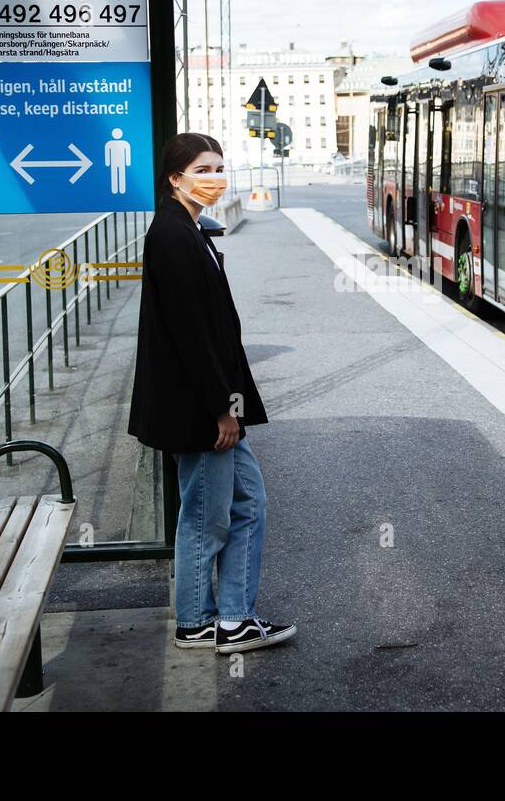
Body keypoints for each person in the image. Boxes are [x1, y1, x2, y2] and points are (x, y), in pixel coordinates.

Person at [128, 132, 296, 655]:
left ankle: (223, 619)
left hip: (211, 404)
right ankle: (208, 622)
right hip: (200, 409)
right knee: (207, 514)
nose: (214, 177)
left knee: (247, 502)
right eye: (202, 169)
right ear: (175, 178)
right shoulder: (174, 236)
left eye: (220, 167)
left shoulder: (190, 228)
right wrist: (224, 410)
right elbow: (193, 335)